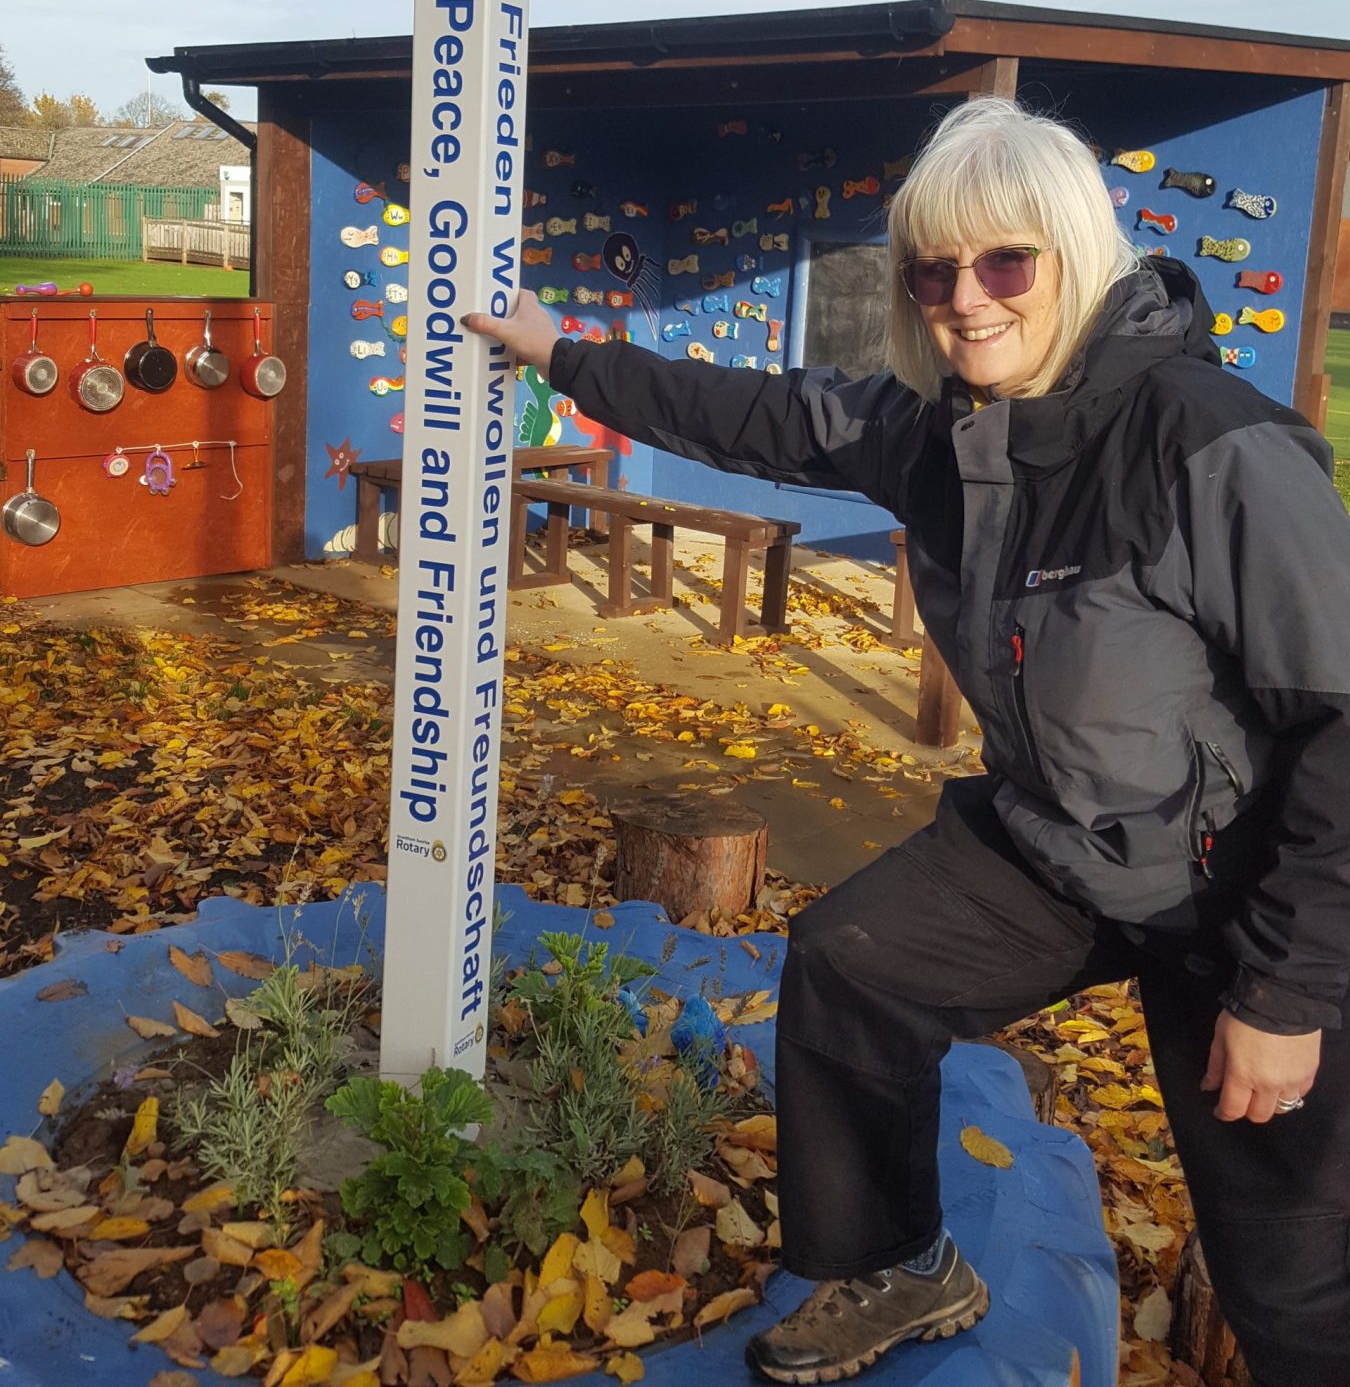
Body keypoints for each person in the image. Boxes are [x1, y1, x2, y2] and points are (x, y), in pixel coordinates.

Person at [464, 97, 1350, 1387]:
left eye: (1006, 263)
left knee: (1288, 1268)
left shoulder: (1213, 444)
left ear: (1075, 256)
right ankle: (898, 1263)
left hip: (1252, 896)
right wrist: (562, 353)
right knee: (853, 964)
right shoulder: (942, 428)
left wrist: (1285, 995)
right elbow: (751, 414)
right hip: (1063, 847)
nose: (967, 301)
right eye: (936, 271)